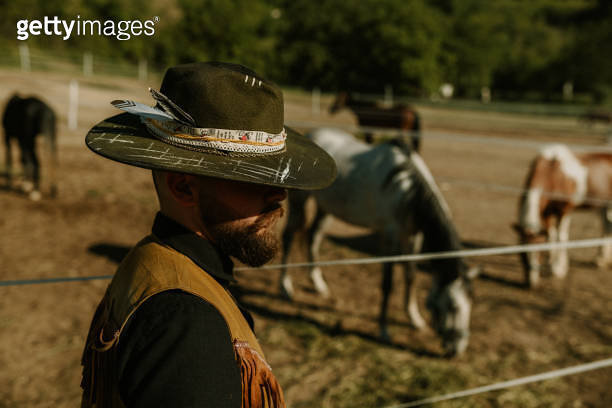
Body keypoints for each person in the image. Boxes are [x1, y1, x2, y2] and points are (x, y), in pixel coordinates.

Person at [80, 62, 336, 408]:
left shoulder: (151, 262)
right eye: (255, 177)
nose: (279, 194)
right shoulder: (187, 322)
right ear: (184, 187)